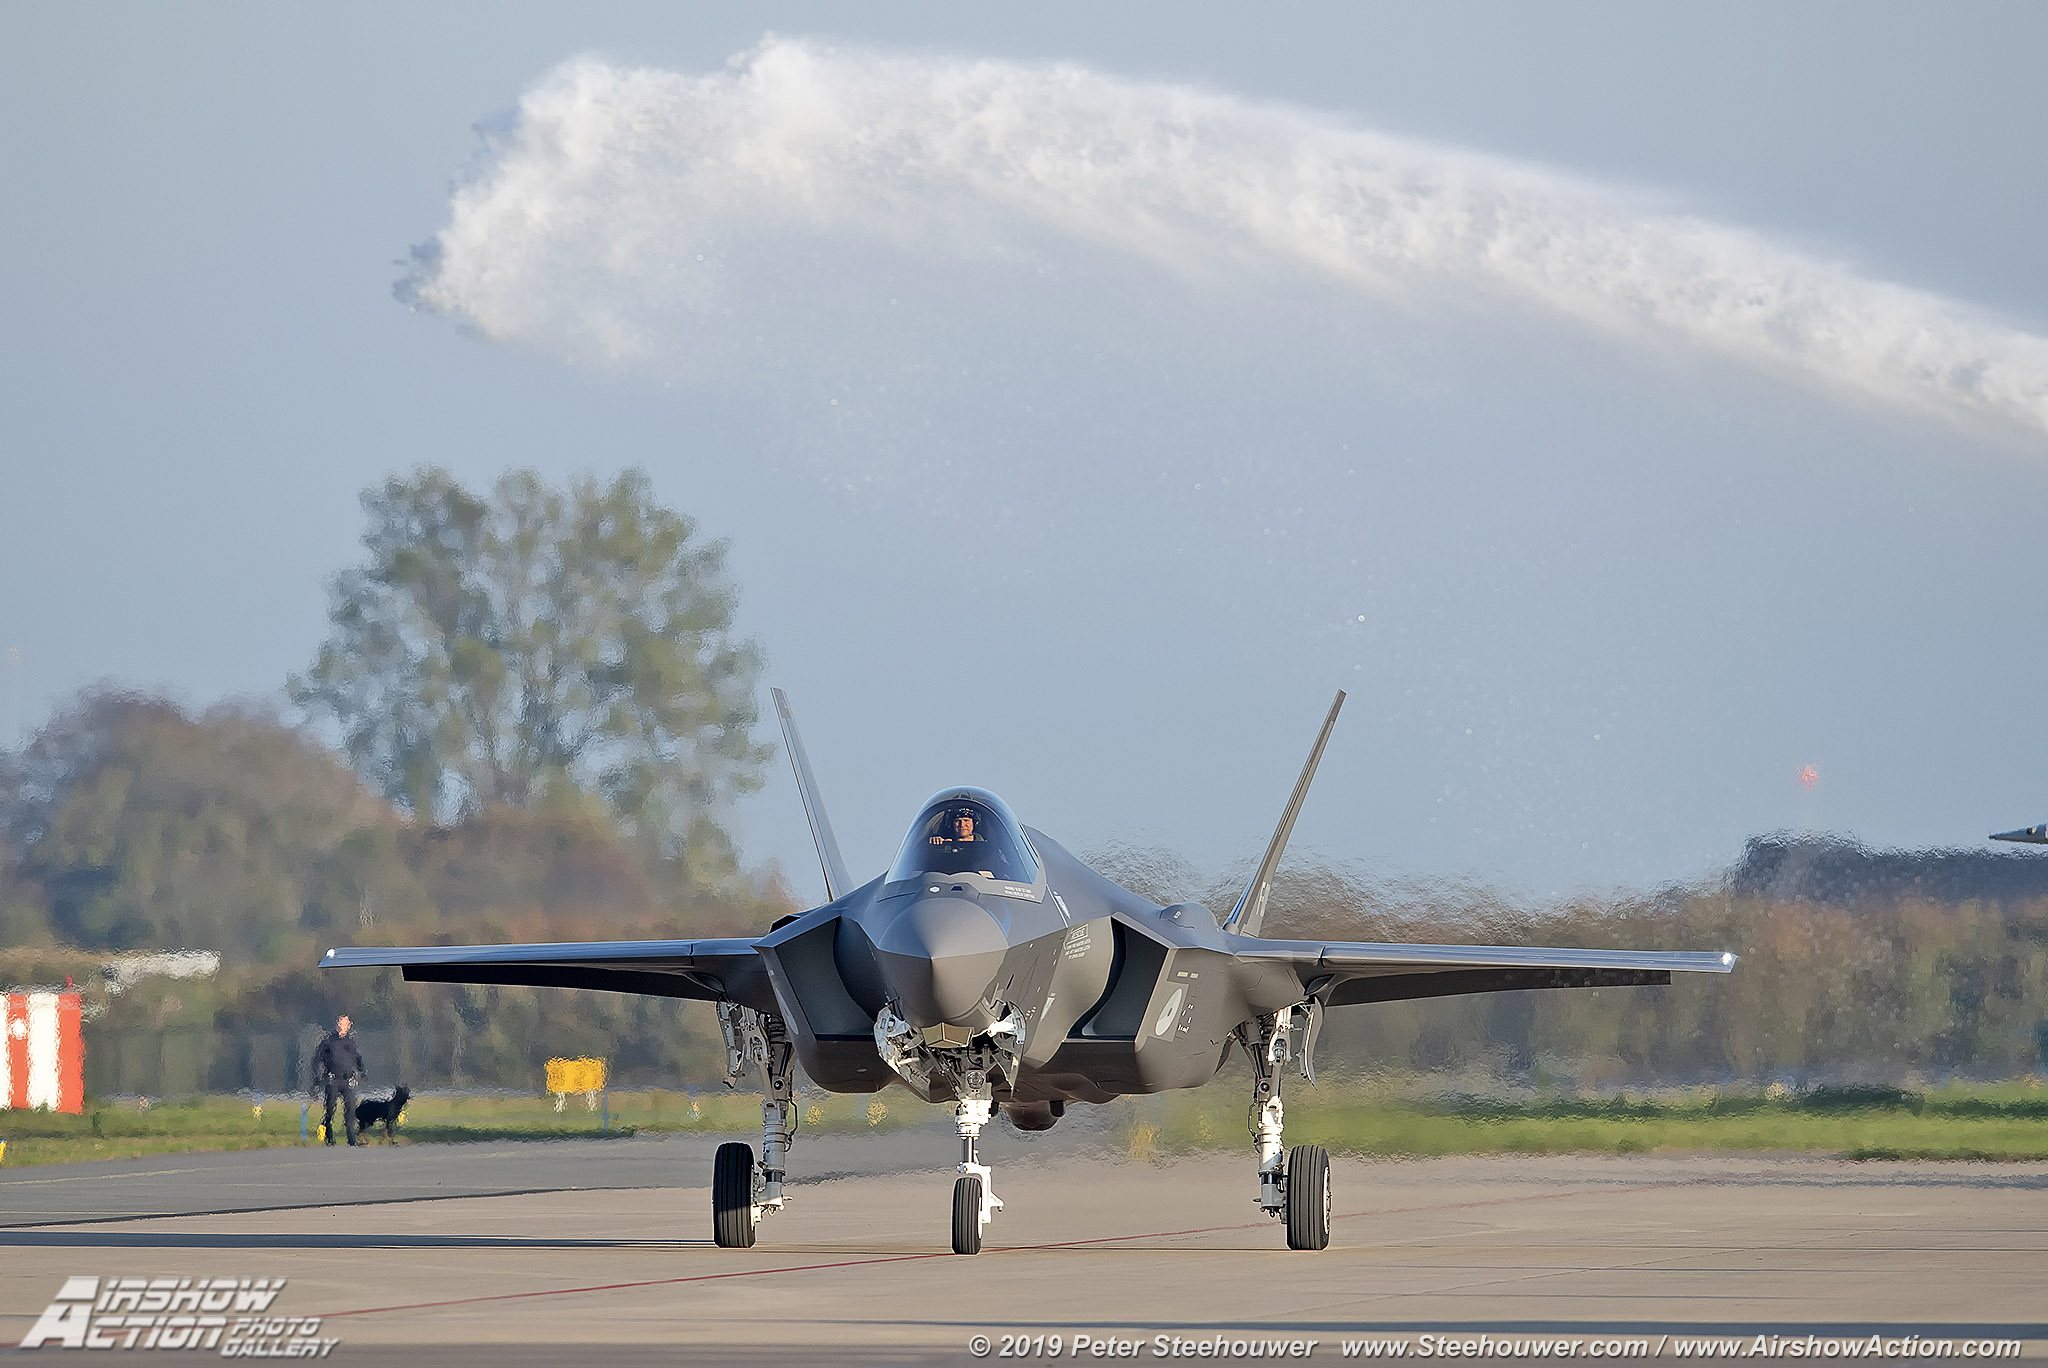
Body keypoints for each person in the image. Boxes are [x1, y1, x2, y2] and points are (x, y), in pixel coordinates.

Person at [310, 1014, 365, 1147]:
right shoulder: (328, 1041)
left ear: (349, 1025)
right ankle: (328, 1133)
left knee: (351, 1108)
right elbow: (317, 1060)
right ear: (337, 1024)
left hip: (347, 1080)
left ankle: (351, 1139)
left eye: (345, 1023)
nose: (342, 1026)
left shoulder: (351, 1042)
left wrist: (362, 1071)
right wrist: (318, 1077)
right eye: (340, 1023)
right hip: (332, 1080)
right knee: (330, 1109)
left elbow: (357, 1058)